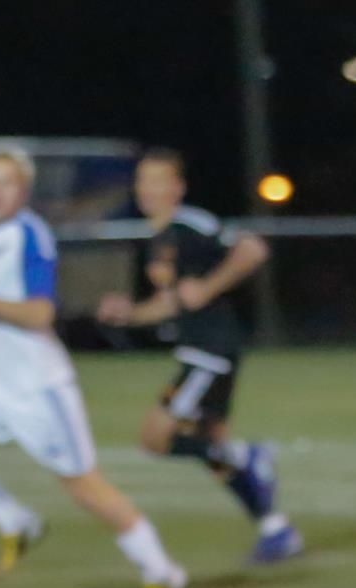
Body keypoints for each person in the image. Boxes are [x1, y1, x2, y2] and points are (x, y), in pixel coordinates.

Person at [0, 149, 186, 588]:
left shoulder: (28, 235)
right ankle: (15, 521)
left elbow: (40, 313)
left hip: (40, 388)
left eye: (7, 183)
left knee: (84, 488)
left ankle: (159, 568)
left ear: (23, 192)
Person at [96, 147, 302, 563]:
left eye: (158, 180)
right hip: (201, 351)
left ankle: (248, 456)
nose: (148, 189)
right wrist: (130, 313)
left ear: (178, 187)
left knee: (156, 437)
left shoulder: (191, 222)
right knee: (209, 449)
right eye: (142, 180)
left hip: (211, 351)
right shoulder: (160, 235)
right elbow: (173, 302)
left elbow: (252, 249)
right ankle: (276, 530)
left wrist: (208, 288)